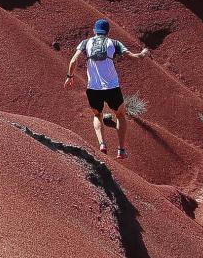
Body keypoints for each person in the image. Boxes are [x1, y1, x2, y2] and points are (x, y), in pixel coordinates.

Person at [64, 18, 150, 158]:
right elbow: (135, 57)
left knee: (97, 115)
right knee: (120, 115)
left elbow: (74, 60)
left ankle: (102, 144)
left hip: (93, 89)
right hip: (112, 88)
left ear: (94, 31)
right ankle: (121, 150)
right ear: (108, 32)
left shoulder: (85, 43)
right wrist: (144, 53)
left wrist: (69, 76)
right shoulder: (114, 43)